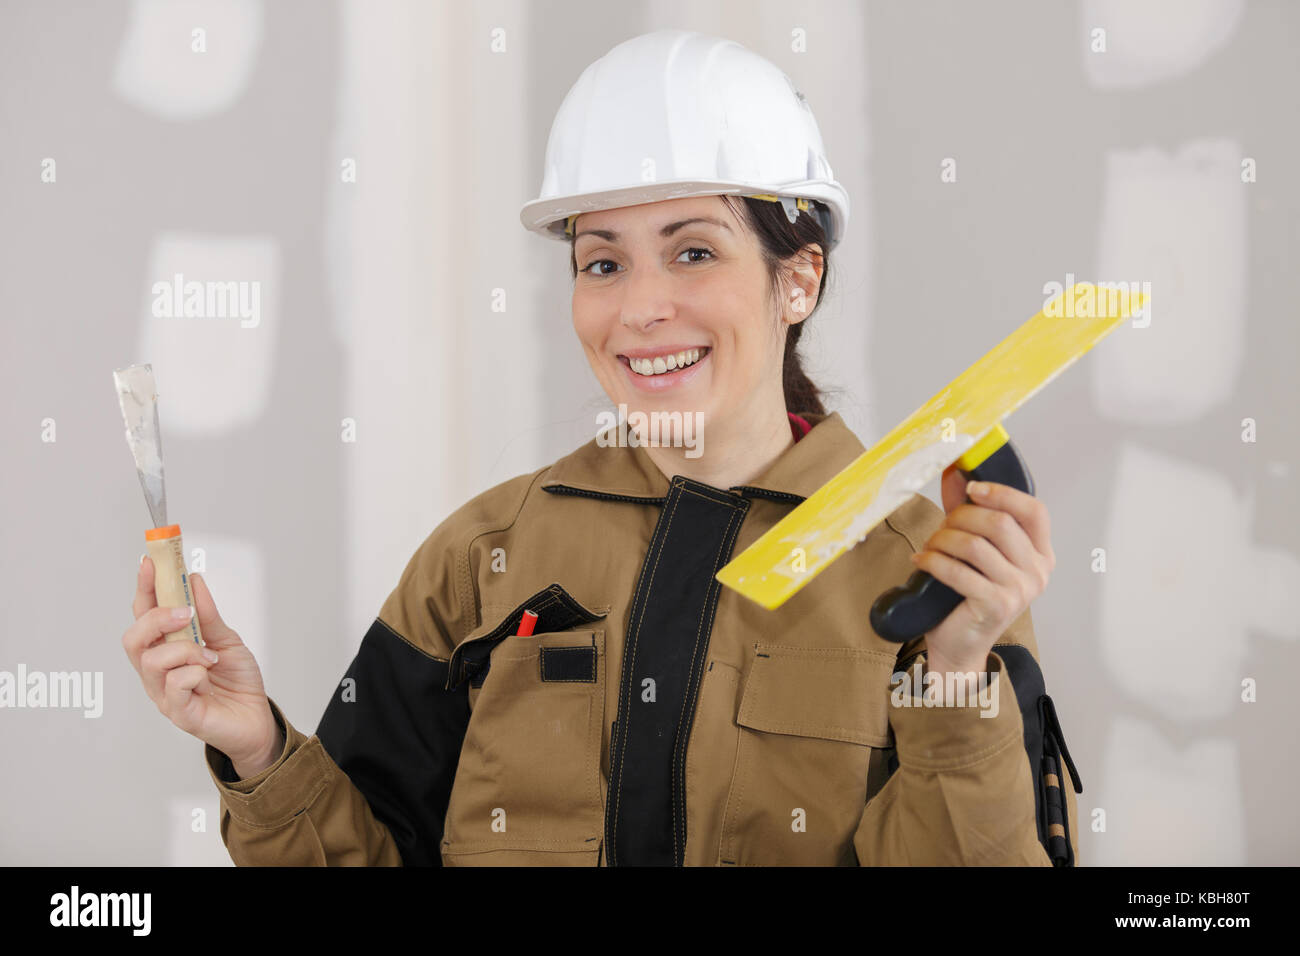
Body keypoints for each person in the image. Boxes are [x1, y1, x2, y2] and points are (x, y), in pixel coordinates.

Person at [121, 28, 1080, 866]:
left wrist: (953, 677)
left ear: (799, 279)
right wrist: (258, 753)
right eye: (603, 262)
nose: (639, 309)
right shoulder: (485, 556)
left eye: (694, 250)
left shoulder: (930, 574)